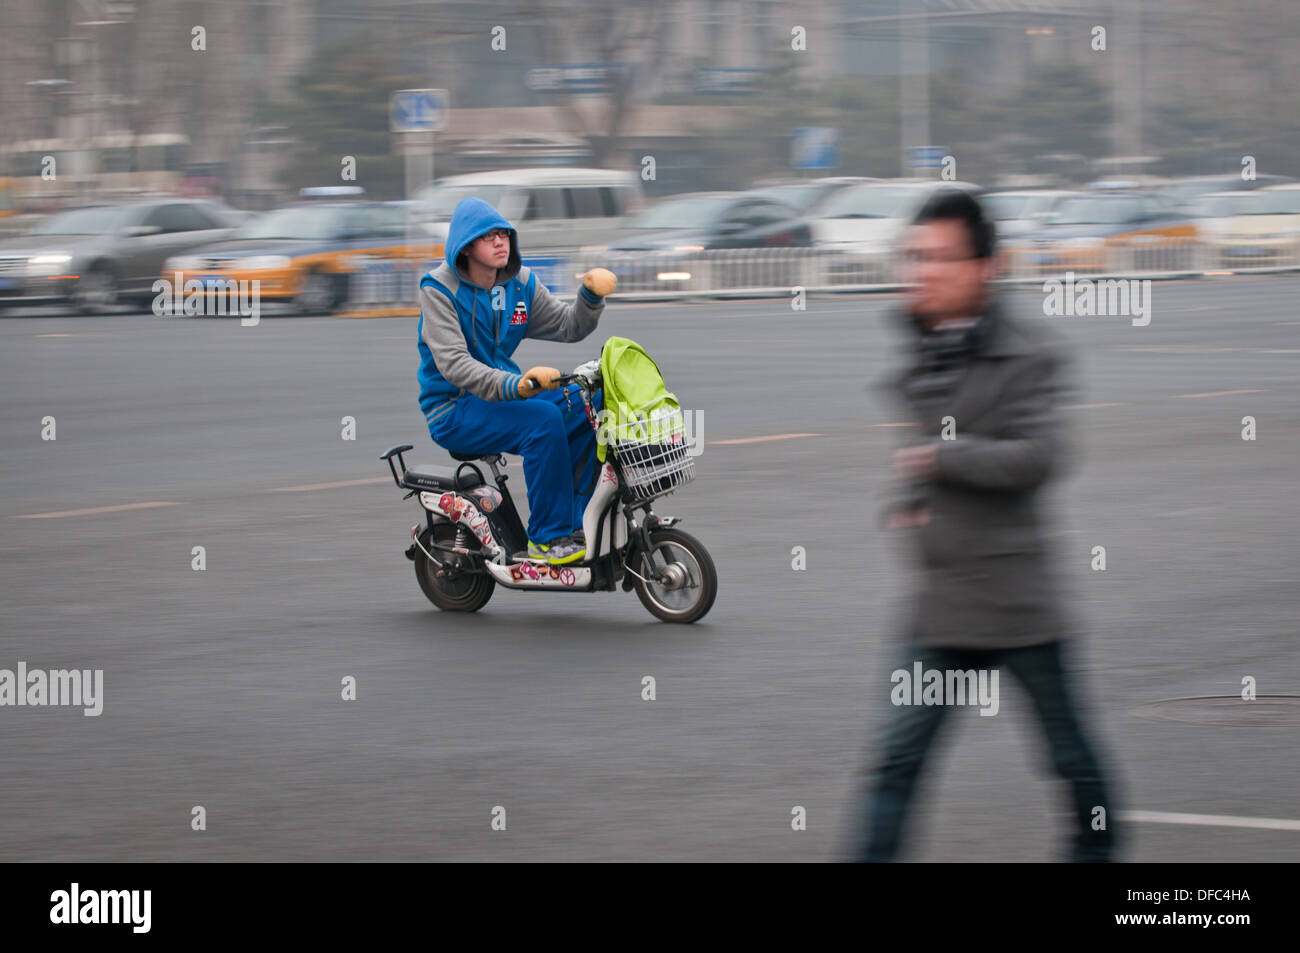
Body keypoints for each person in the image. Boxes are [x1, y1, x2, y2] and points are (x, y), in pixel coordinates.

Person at [848, 188, 1120, 862]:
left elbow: (1041, 455)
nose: (924, 271)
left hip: (1017, 599)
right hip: (939, 604)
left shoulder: (1031, 352)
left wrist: (942, 457)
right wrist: (912, 494)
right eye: (916, 257)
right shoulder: (919, 346)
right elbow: (933, 449)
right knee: (893, 766)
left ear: (985, 268)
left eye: (942, 258)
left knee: (1071, 761)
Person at [416, 197, 617, 565]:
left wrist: (589, 297)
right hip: (453, 408)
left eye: (504, 234)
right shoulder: (438, 290)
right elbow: (455, 365)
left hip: (504, 394)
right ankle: (548, 537)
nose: (500, 242)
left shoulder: (519, 283)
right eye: (488, 236)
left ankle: (576, 522)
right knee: (542, 421)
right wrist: (518, 386)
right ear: (465, 246)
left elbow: (568, 326)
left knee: (585, 404)